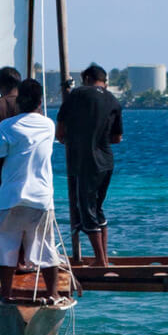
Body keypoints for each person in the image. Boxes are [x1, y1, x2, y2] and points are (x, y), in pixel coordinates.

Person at [0, 78, 61, 301]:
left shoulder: (7, 126)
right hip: (41, 198)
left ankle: (6, 295)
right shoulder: (48, 125)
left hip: (11, 197)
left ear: (19, 101)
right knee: (46, 246)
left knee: (6, 245)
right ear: (40, 102)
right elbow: (26, 142)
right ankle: (53, 293)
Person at [55, 62, 122, 266]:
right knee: (97, 208)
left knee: (87, 210)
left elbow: (60, 131)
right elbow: (117, 138)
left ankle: (100, 260)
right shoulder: (113, 100)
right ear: (104, 81)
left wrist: (73, 137)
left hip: (87, 160)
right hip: (107, 161)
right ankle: (104, 258)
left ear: (86, 79)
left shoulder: (77, 94)